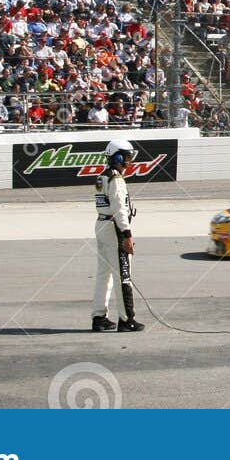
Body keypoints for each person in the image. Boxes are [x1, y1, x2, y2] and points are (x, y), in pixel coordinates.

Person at [91, 139, 144, 333]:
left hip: (101, 225)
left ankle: (99, 317)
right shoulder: (116, 179)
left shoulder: (102, 176)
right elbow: (120, 209)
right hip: (114, 228)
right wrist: (127, 234)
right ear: (118, 157)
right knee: (123, 275)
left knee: (103, 275)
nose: (129, 162)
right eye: (127, 158)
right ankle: (127, 319)